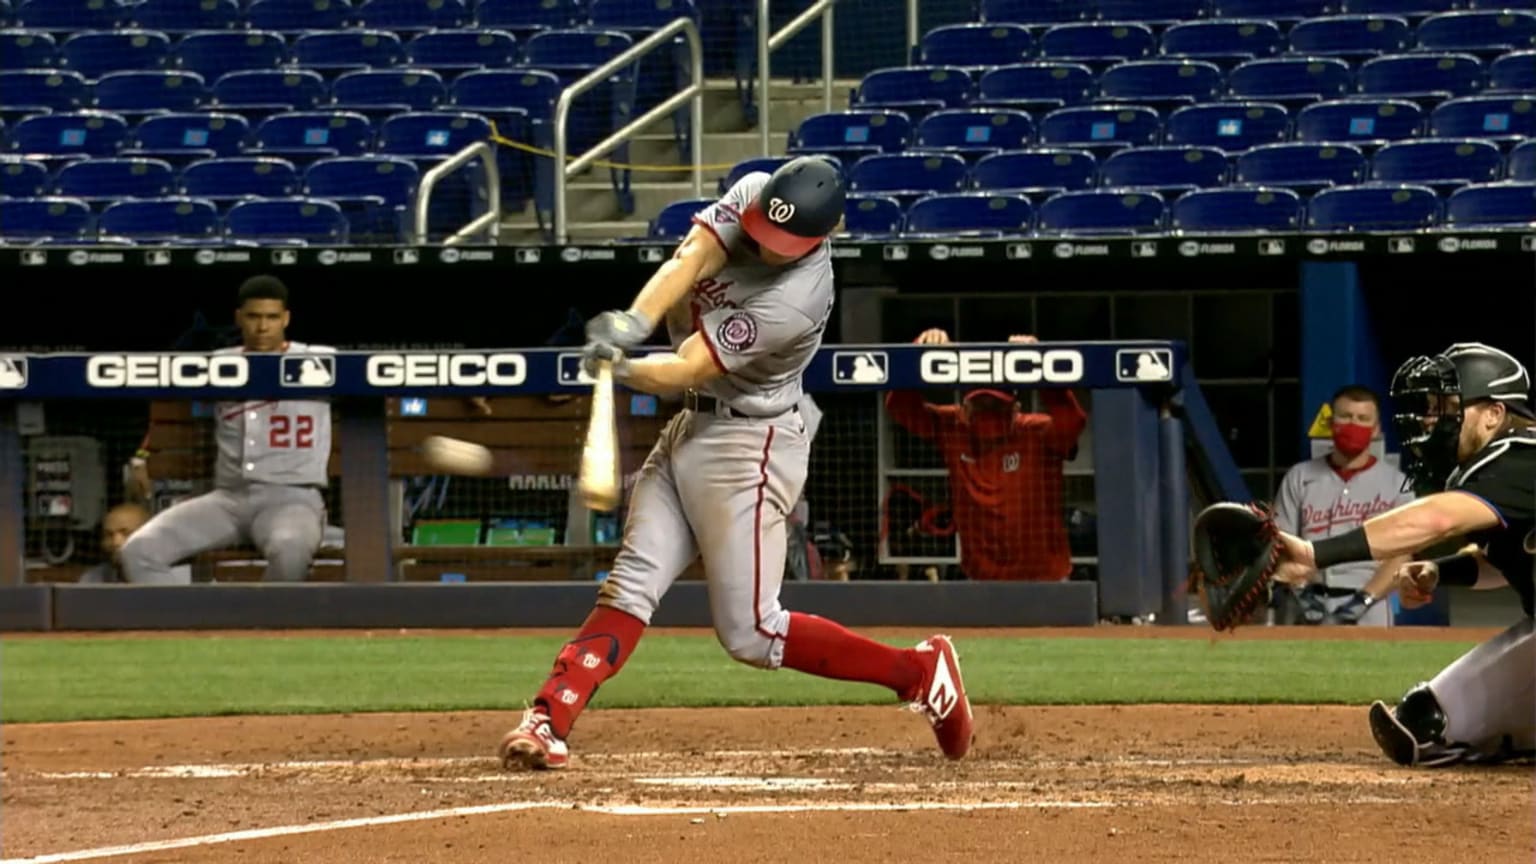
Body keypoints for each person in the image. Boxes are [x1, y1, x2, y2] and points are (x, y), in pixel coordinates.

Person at [496, 157, 974, 771]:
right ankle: (549, 716)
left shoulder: (798, 298)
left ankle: (918, 671)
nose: (764, 246)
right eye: (762, 230)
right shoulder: (756, 195)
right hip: (692, 427)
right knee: (632, 581)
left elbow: (690, 367)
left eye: (782, 244)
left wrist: (622, 365)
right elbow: (689, 260)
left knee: (751, 632)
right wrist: (635, 322)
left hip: (750, 446)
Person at [1272, 342, 1534, 767]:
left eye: (1449, 406)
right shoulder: (1501, 471)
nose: (1434, 419)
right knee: (1424, 724)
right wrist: (1437, 571)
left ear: (1494, 414)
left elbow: (1438, 519)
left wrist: (1314, 553)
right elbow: (1504, 565)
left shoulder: (1521, 456)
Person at [119, 276, 333, 583]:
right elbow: (167, 407)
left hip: (292, 500)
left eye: (272, 318)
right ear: (239, 318)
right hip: (228, 500)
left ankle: (264, 627)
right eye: (254, 317)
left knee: (290, 549)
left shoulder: (318, 361)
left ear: (286, 318)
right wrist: (141, 455)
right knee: (139, 551)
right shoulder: (219, 363)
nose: (262, 327)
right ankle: (196, 627)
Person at [884, 330, 1087, 582]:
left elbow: (1073, 420)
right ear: (966, 407)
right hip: (982, 581)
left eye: (996, 405)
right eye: (981, 405)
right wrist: (919, 351)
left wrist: (1040, 359)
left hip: (1045, 579)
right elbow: (899, 406)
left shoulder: (1037, 431)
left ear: (1015, 407)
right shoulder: (953, 427)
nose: (988, 413)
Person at [1271, 385, 1416, 626]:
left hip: (1371, 605)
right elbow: (1279, 542)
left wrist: (1364, 600)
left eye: (1363, 419)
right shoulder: (1299, 476)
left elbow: (1403, 553)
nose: (1353, 425)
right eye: (1345, 417)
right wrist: (1301, 592)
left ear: (1376, 428)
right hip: (1304, 601)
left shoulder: (1397, 483)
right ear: (1330, 423)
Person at [78, 502, 190, 583]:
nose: (115, 542)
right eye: (108, 535)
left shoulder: (178, 579)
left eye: (126, 533)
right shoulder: (93, 580)